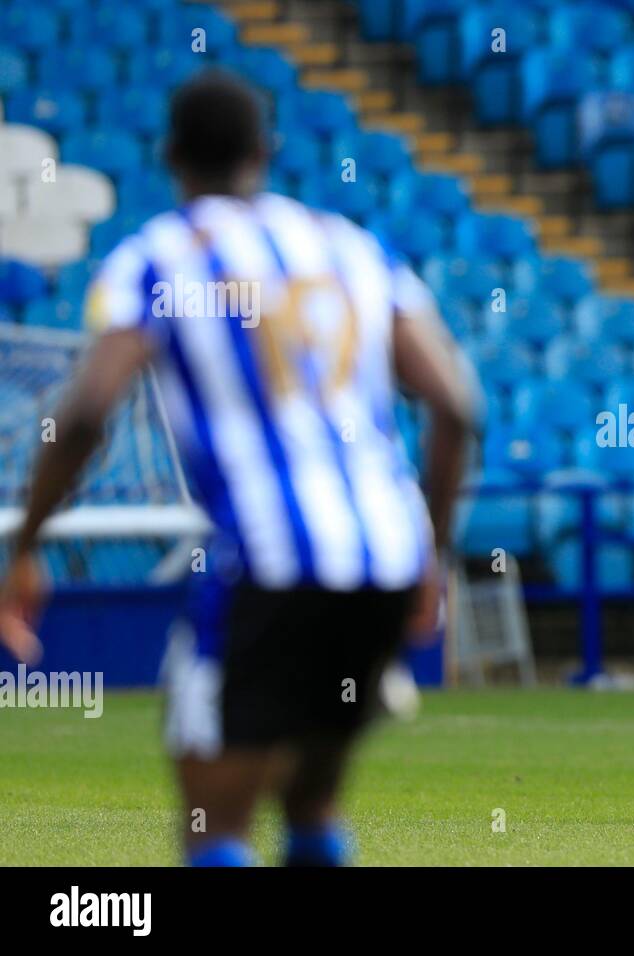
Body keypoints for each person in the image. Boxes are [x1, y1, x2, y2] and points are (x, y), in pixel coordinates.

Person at [0, 70, 474, 865]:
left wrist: (25, 547)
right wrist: (434, 550)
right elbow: (458, 408)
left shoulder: (157, 257)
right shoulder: (354, 247)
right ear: (267, 151)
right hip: (385, 555)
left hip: (268, 557)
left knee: (213, 824)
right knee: (313, 804)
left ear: (171, 156)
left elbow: (83, 415)